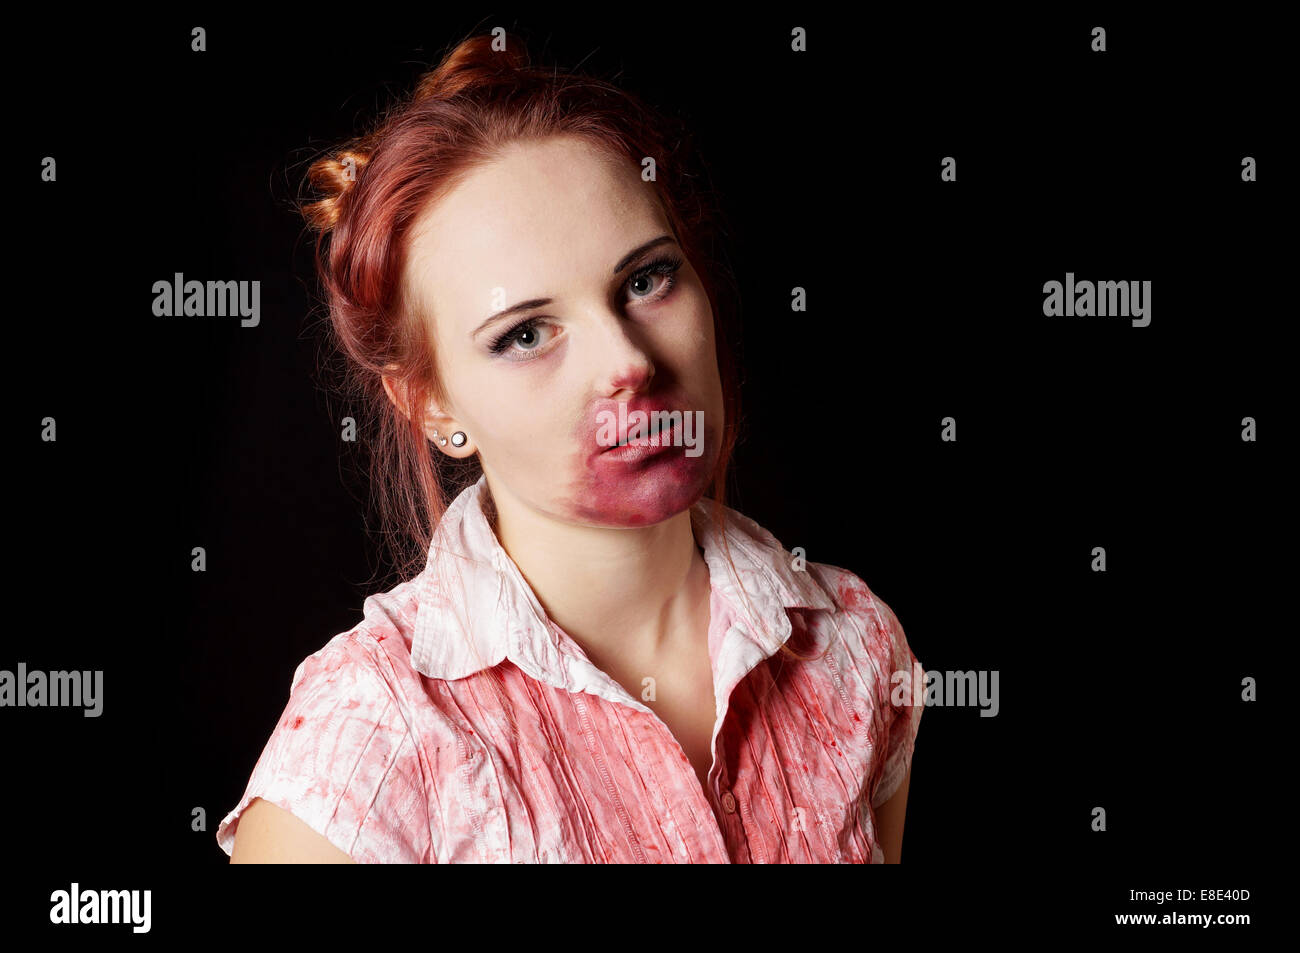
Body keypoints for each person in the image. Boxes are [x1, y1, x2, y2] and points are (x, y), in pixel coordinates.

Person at [216, 30, 923, 863]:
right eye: (524, 334)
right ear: (432, 401)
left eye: (645, 280)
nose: (628, 362)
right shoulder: (366, 748)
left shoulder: (855, 644)